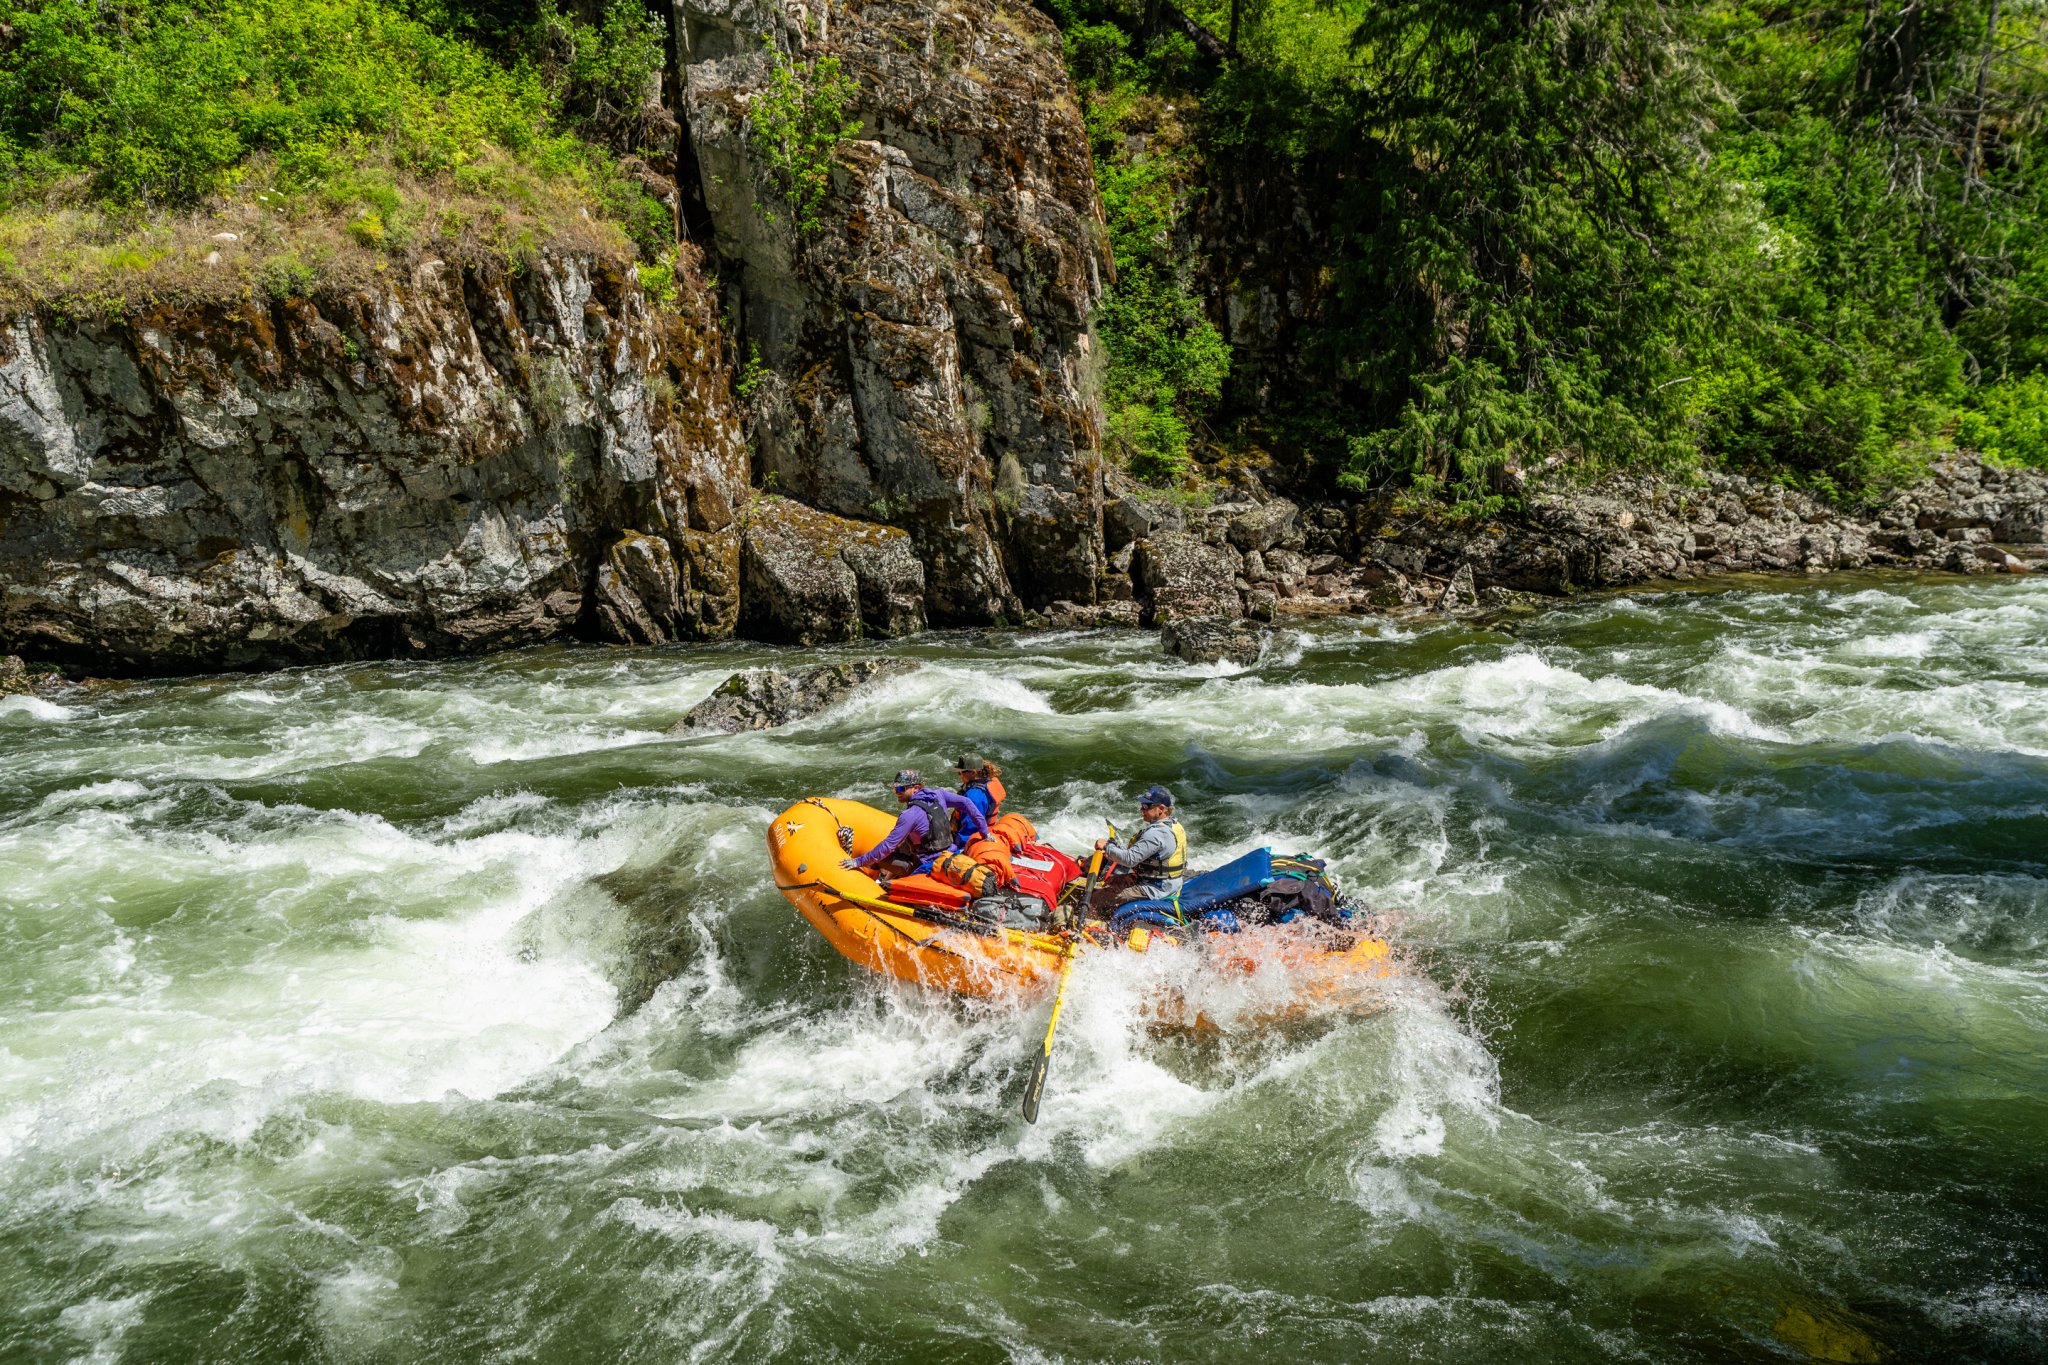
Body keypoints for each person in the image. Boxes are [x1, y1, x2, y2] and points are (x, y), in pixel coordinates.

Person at [842, 769, 991, 876]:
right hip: (949, 851)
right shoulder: (939, 794)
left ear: (917, 787)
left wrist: (858, 862)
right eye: (895, 789)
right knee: (903, 845)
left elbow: (888, 846)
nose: (897, 792)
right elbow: (966, 803)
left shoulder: (909, 815)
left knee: (882, 859)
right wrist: (985, 832)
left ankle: (879, 881)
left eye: (901, 788)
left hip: (926, 863)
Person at [1092, 785, 1188, 912]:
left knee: (1099, 897)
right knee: (1113, 880)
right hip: (1165, 882)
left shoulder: (1156, 833)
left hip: (1157, 889)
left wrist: (1106, 846)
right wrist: (1114, 850)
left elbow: (1129, 859)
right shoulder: (1173, 825)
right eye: (1143, 805)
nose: (1141, 809)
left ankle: (1091, 923)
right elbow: (1140, 853)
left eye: (1147, 806)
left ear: (1161, 809)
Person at [949, 754, 1005, 848]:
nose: (959, 775)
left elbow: (970, 830)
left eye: (961, 772)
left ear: (973, 773)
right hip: (982, 832)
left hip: (972, 840)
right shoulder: (986, 782)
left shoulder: (974, 796)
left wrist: (954, 847)